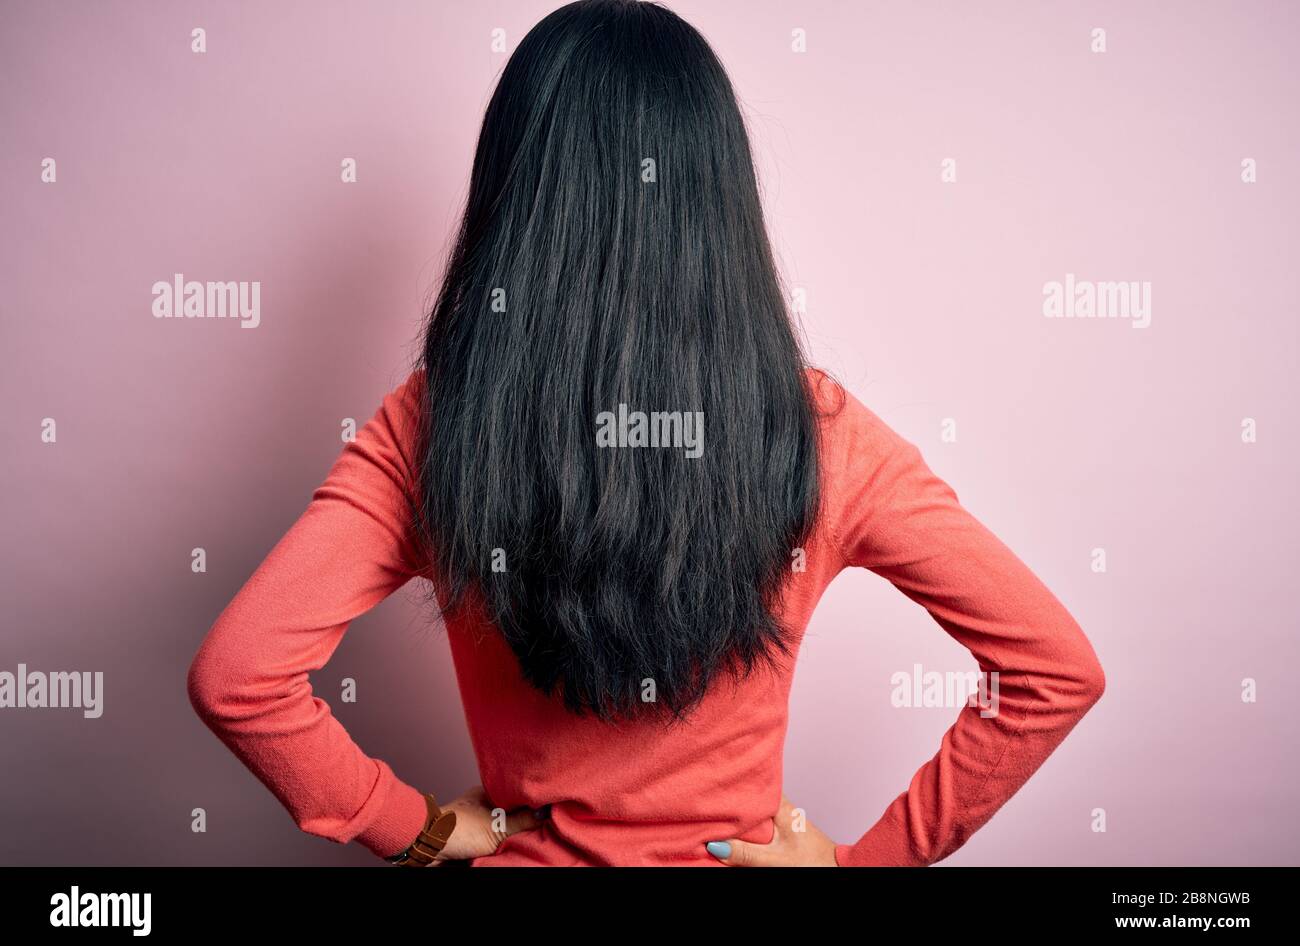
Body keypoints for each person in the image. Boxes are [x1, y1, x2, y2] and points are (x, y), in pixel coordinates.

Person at [186, 0, 1104, 867]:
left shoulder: (440, 425)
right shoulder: (818, 433)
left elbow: (239, 676)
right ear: (719, 200)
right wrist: (865, 862)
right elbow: (1055, 671)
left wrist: (414, 831)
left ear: (515, 194)